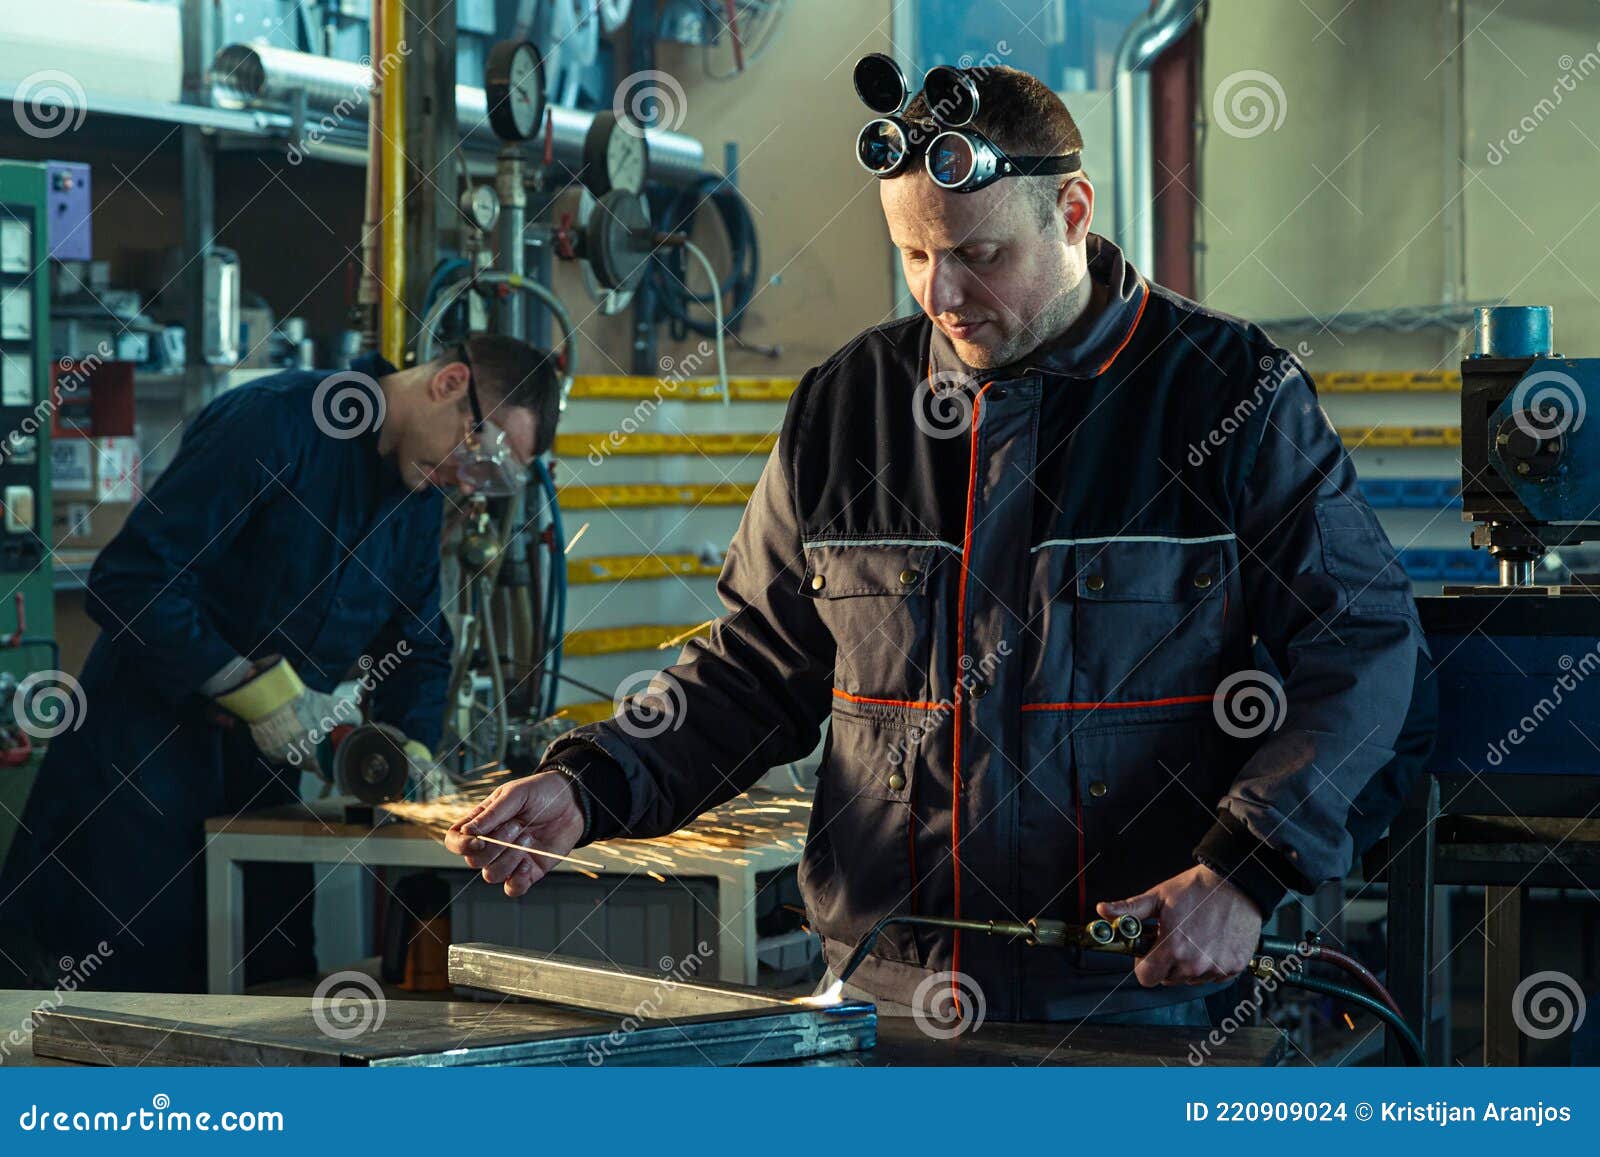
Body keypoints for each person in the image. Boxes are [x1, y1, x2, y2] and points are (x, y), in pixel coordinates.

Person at [445, 66, 1421, 1022]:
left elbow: (1360, 645)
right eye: (912, 256)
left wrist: (1247, 871)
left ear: (1073, 210)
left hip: (1138, 988)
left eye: (978, 254)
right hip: (887, 991)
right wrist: (595, 781)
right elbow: (755, 668)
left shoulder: (1225, 393)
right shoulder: (849, 403)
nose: (940, 293)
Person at [0, 334, 558, 993]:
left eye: (491, 477)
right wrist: (251, 688)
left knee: (277, 990)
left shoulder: (416, 502)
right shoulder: (277, 421)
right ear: (448, 383)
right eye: (479, 452)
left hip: (262, 791)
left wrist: (410, 750)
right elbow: (131, 583)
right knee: (128, 1011)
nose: (470, 479)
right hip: (136, 774)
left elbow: (420, 648)